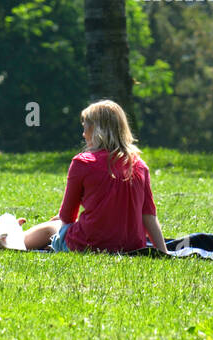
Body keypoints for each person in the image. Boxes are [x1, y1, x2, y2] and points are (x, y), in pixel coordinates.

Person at [23, 100, 167, 254]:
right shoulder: (140, 166)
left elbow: (67, 216)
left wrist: (60, 221)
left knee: (53, 227)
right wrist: (163, 252)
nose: (83, 134)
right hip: (132, 246)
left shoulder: (82, 163)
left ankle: (10, 240)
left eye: (85, 127)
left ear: (95, 130)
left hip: (87, 244)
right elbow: (149, 216)